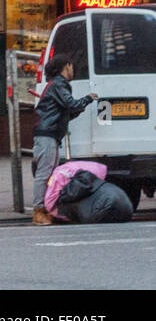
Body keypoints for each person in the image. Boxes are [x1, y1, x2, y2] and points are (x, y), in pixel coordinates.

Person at [32, 54, 99, 225]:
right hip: (47, 134)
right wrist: (88, 99)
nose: (73, 71)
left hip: (48, 134)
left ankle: (47, 209)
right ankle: (39, 211)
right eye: (72, 67)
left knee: (48, 173)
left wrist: (78, 108)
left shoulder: (55, 85)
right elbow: (72, 105)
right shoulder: (59, 84)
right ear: (67, 66)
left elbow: (67, 112)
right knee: (44, 173)